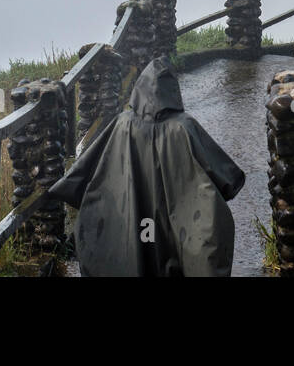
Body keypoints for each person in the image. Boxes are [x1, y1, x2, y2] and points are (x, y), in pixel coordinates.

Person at [49, 55, 245, 276]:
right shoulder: (185, 127)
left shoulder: (122, 124)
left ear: (139, 88)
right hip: (173, 232)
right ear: (172, 89)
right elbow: (227, 180)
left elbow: (86, 172)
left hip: (134, 222)